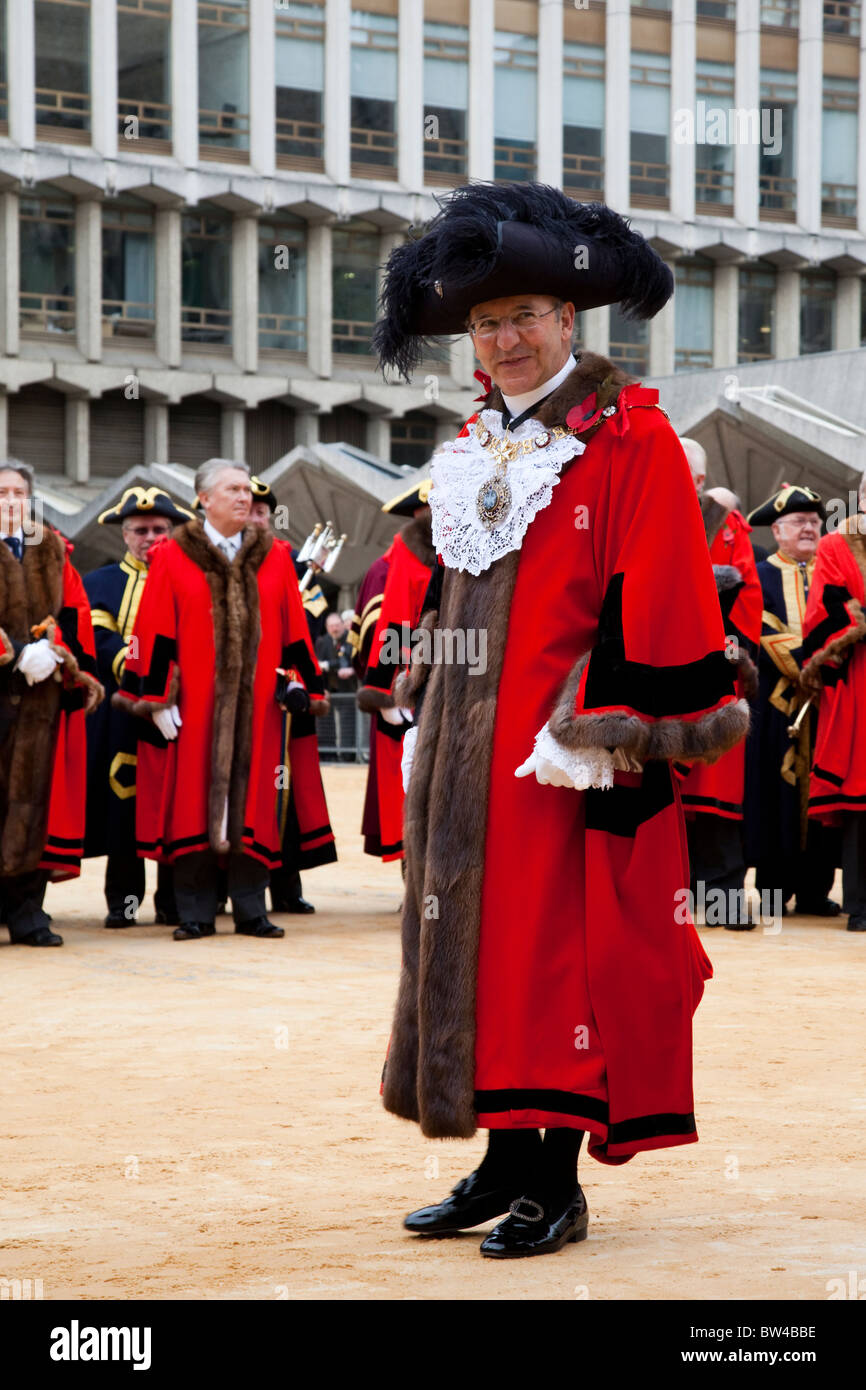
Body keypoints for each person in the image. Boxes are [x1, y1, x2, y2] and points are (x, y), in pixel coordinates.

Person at [371, 181, 748, 1258]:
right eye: (485, 324)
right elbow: (441, 593)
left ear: (567, 321)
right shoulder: (472, 446)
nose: (502, 339)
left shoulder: (630, 440)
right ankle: (499, 1157)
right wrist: (422, 709)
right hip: (465, 758)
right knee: (472, 952)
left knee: (551, 963)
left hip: (557, 758)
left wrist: (601, 728)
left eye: (521, 317)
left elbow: (660, 592)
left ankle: (554, 1179)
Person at [116, 459, 329, 941]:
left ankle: (253, 909)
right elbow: (154, 629)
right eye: (232, 489)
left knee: (254, 803)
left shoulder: (274, 556)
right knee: (192, 800)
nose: (244, 497)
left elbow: (295, 632)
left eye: (247, 491)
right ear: (204, 499)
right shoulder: (172, 556)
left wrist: (301, 685)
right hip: (195, 706)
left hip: (260, 709)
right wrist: (156, 698)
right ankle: (195, 913)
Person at [0, 459, 103, 946]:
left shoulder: (53, 552)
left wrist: (53, 648)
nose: (10, 501)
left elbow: (78, 615)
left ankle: (28, 914)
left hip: (40, 706)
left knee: (34, 804)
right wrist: (15, 655)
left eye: (18, 492)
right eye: (0, 493)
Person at [84, 487, 192, 928]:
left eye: (161, 529)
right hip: (123, 716)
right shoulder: (100, 582)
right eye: (141, 530)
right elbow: (101, 640)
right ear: (125, 535)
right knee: (123, 810)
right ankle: (123, 905)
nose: (151, 537)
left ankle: (173, 904)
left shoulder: (190, 576)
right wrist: (144, 682)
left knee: (174, 807)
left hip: (178, 713)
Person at [743, 485, 840, 916]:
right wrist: (807, 665)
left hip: (826, 705)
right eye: (799, 522)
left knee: (819, 792)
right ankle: (775, 889)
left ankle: (816, 889)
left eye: (815, 522)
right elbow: (758, 626)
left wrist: (824, 664)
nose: (809, 528)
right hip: (776, 703)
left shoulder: (831, 572)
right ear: (777, 530)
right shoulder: (759, 574)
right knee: (772, 791)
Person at [678, 442, 762, 929]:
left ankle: (723, 899)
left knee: (715, 794)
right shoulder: (645, 513)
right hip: (655, 669)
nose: (689, 484)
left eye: (693, 476)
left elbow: (746, 591)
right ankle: (665, 897)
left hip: (715, 672)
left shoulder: (728, 528)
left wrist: (709, 593)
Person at [247, 476, 336, 914]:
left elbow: (309, 632)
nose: (256, 518)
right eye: (250, 510)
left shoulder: (287, 561)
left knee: (285, 796)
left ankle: (285, 887)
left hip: (285, 693)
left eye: (263, 512)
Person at [349, 481, 435, 862]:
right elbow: (396, 624)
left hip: (459, 671)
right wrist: (385, 689)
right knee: (415, 787)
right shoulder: (404, 560)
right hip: (416, 687)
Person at [800, 471, 866, 931]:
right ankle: (861, 905)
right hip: (860, 679)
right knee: (862, 802)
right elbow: (823, 612)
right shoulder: (837, 544)